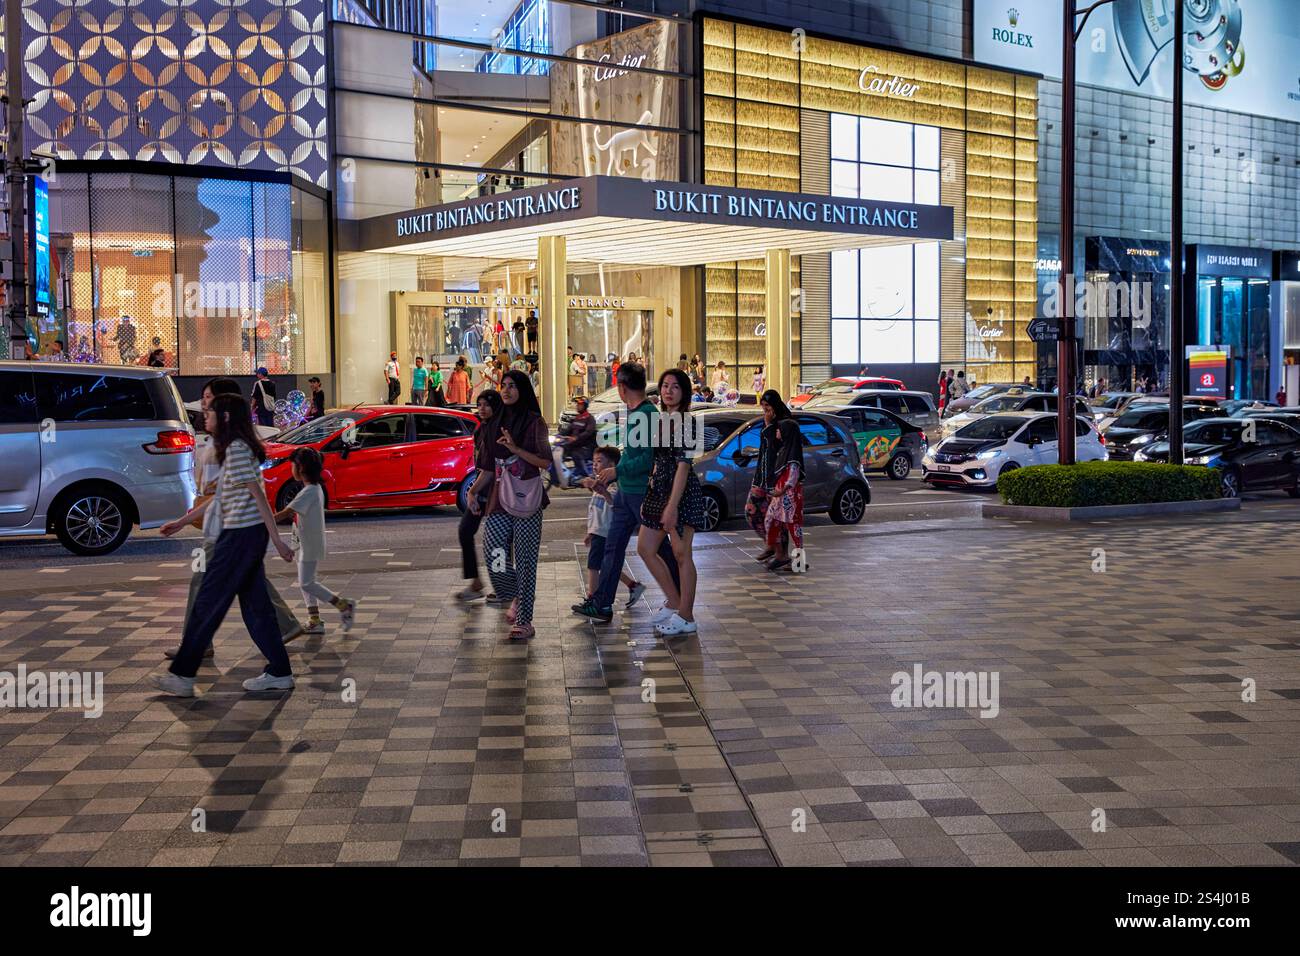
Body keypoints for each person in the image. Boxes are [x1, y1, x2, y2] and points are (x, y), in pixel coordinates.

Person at [153, 393, 296, 697]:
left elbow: (259, 496)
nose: (206, 416)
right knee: (256, 607)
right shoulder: (234, 450)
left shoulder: (237, 450)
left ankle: (182, 675)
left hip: (240, 537)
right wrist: (183, 521)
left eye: (211, 412)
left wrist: (278, 541)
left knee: (207, 603)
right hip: (243, 535)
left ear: (227, 417)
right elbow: (222, 497)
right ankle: (280, 671)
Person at [572, 363, 680, 625]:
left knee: (659, 549)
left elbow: (645, 459)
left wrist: (616, 471)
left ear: (621, 387)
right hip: (626, 492)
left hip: (640, 492)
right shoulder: (637, 413)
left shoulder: (644, 414)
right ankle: (602, 603)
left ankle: (679, 598)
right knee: (613, 547)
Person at [481, 369, 552, 640]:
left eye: (512, 386)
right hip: (499, 497)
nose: (507, 390)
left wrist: (516, 450)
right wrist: (475, 493)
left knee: (525, 560)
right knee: (493, 551)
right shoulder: (495, 420)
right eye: (504, 385)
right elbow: (488, 464)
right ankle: (516, 594)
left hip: (526, 498)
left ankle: (525, 621)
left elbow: (545, 462)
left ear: (523, 389)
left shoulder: (535, 422)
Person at [636, 368, 704, 636]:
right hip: (658, 491)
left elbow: (683, 467)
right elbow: (656, 463)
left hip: (681, 493)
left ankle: (686, 616)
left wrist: (672, 506)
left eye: (675, 386)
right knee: (645, 547)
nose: (668, 390)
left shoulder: (688, 422)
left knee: (681, 553)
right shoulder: (660, 421)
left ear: (684, 392)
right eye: (665, 385)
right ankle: (674, 602)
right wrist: (649, 495)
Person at [274, 448, 356, 635]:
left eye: (292, 465)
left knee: (306, 583)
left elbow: (286, 513)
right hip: (303, 542)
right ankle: (315, 620)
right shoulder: (313, 488)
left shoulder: (309, 491)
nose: (291, 469)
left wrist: (263, 521)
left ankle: (344, 606)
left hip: (309, 545)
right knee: (307, 582)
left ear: (301, 467)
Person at [583, 446, 645, 608]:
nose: (595, 465)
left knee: (594, 565)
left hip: (607, 533)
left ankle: (593, 598)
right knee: (607, 565)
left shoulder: (617, 486)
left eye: (599, 461)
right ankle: (633, 585)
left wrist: (604, 492)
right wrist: (590, 532)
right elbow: (594, 511)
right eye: (593, 462)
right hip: (598, 532)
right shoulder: (600, 484)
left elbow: (616, 507)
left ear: (612, 465)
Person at [456, 390, 503, 603]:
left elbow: (491, 469)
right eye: (479, 403)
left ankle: (504, 587)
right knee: (466, 530)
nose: (482, 408)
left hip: (496, 494)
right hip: (482, 490)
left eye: (486, 404)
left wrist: (473, 491)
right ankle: (476, 582)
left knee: (499, 542)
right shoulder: (481, 428)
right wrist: (475, 491)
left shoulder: (498, 429)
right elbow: (481, 465)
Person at [747, 390, 800, 568]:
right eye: (763, 408)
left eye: (768, 408)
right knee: (752, 510)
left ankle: (784, 555)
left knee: (780, 519)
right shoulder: (771, 423)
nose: (766, 412)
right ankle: (772, 545)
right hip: (762, 477)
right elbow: (765, 450)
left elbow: (780, 451)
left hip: (777, 478)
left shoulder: (786, 425)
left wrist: (769, 426)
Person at [758, 395, 805, 573]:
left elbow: (792, 478)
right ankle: (776, 550)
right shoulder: (784, 451)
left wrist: (779, 492)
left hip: (790, 496)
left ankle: (798, 562)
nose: (777, 433)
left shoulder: (792, 456)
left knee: (795, 528)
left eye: (780, 430)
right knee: (771, 519)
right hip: (781, 495)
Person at [551, 395, 596, 486]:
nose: (577, 406)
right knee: (557, 451)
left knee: (576, 454)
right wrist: (559, 435)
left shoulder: (590, 418)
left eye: (580, 405)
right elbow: (569, 429)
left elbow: (588, 432)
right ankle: (562, 475)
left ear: (585, 406)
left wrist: (576, 438)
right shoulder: (577, 418)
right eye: (577, 405)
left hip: (583, 446)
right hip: (573, 444)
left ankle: (579, 475)